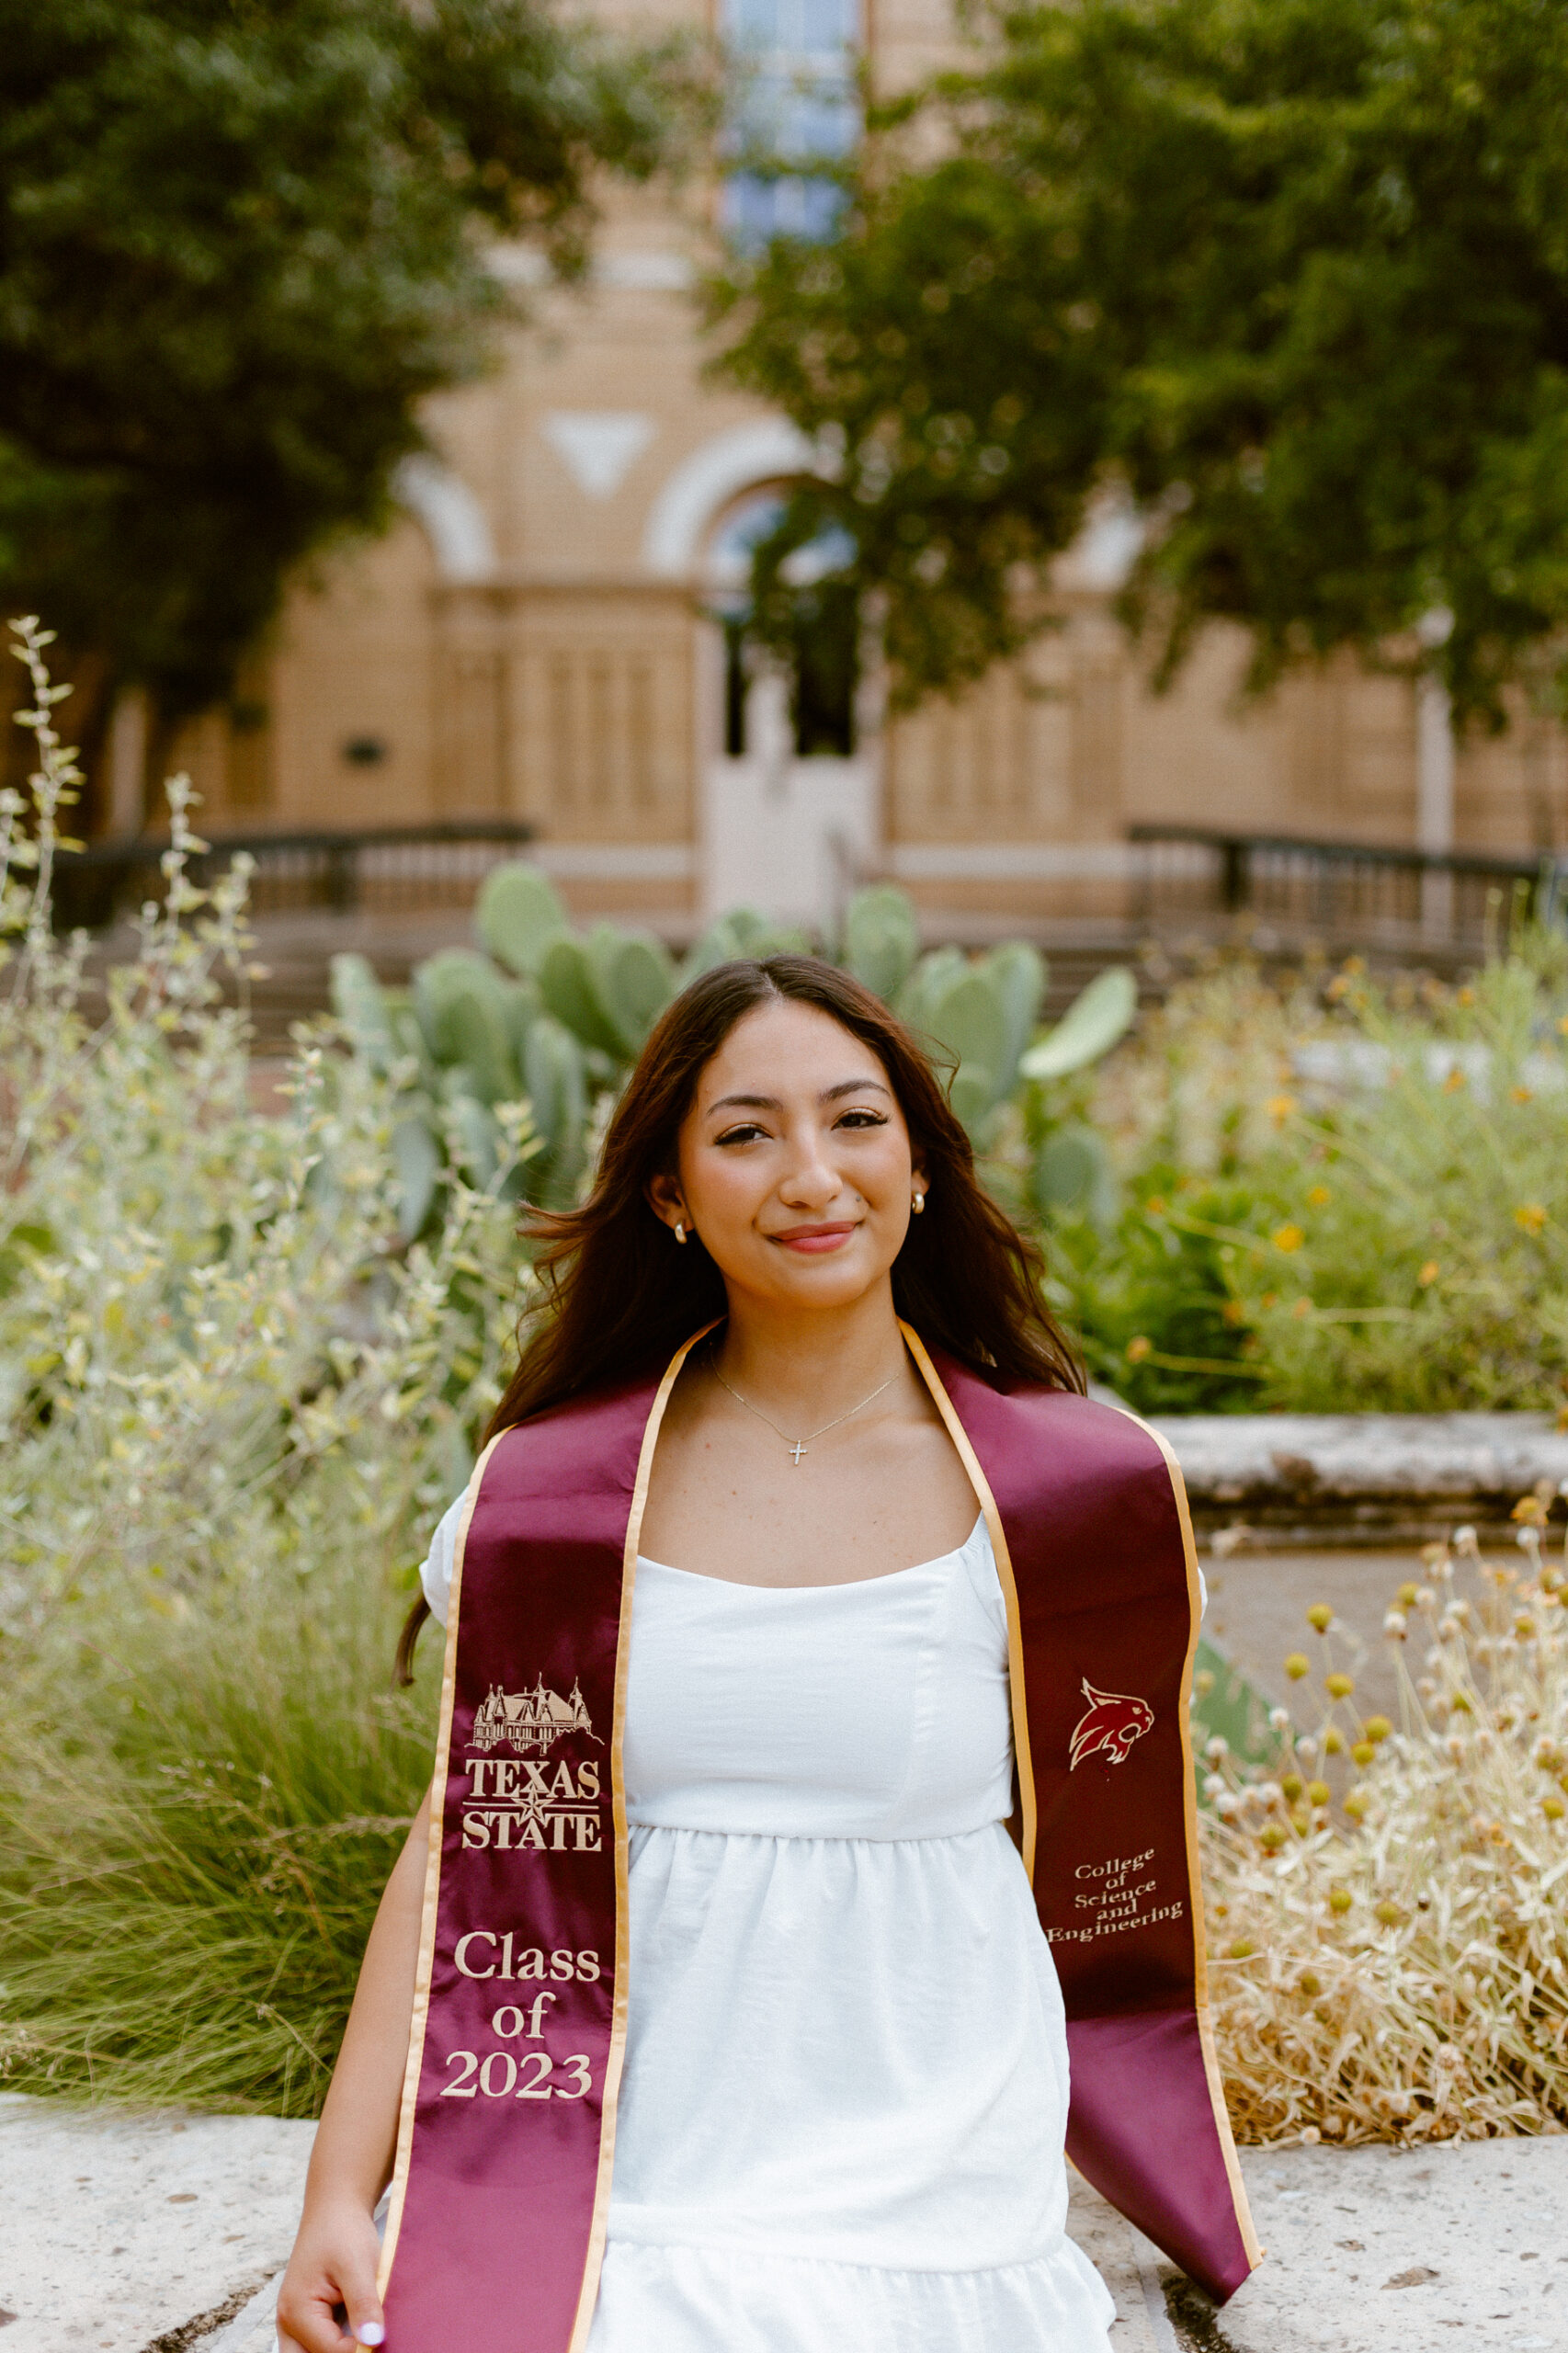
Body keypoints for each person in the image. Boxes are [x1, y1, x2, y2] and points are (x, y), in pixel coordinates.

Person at [277, 955, 1256, 2353]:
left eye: (856, 1121)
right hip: (603, 2170)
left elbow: (1116, 1884)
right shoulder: (549, 1506)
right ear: (669, 1193)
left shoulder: (1064, 1506)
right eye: (746, 1134)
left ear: (921, 1167)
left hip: (928, 2195)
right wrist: (338, 2197)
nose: (812, 1176)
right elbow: (459, 1844)